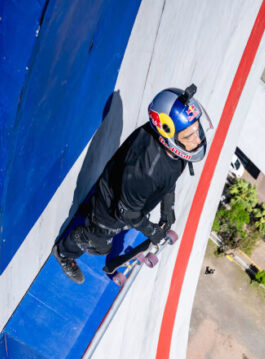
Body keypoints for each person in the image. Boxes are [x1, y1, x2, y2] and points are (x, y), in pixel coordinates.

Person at [53, 85, 211, 283]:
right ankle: (65, 251)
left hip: (128, 194)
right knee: (100, 246)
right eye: (189, 135)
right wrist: (150, 230)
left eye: (196, 129)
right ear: (167, 133)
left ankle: (89, 220)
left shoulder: (174, 148)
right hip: (111, 207)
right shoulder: (147, 172)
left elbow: (169, 179)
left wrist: (167, 208)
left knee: (119, 222)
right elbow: (125, 212)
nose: (197, 140)